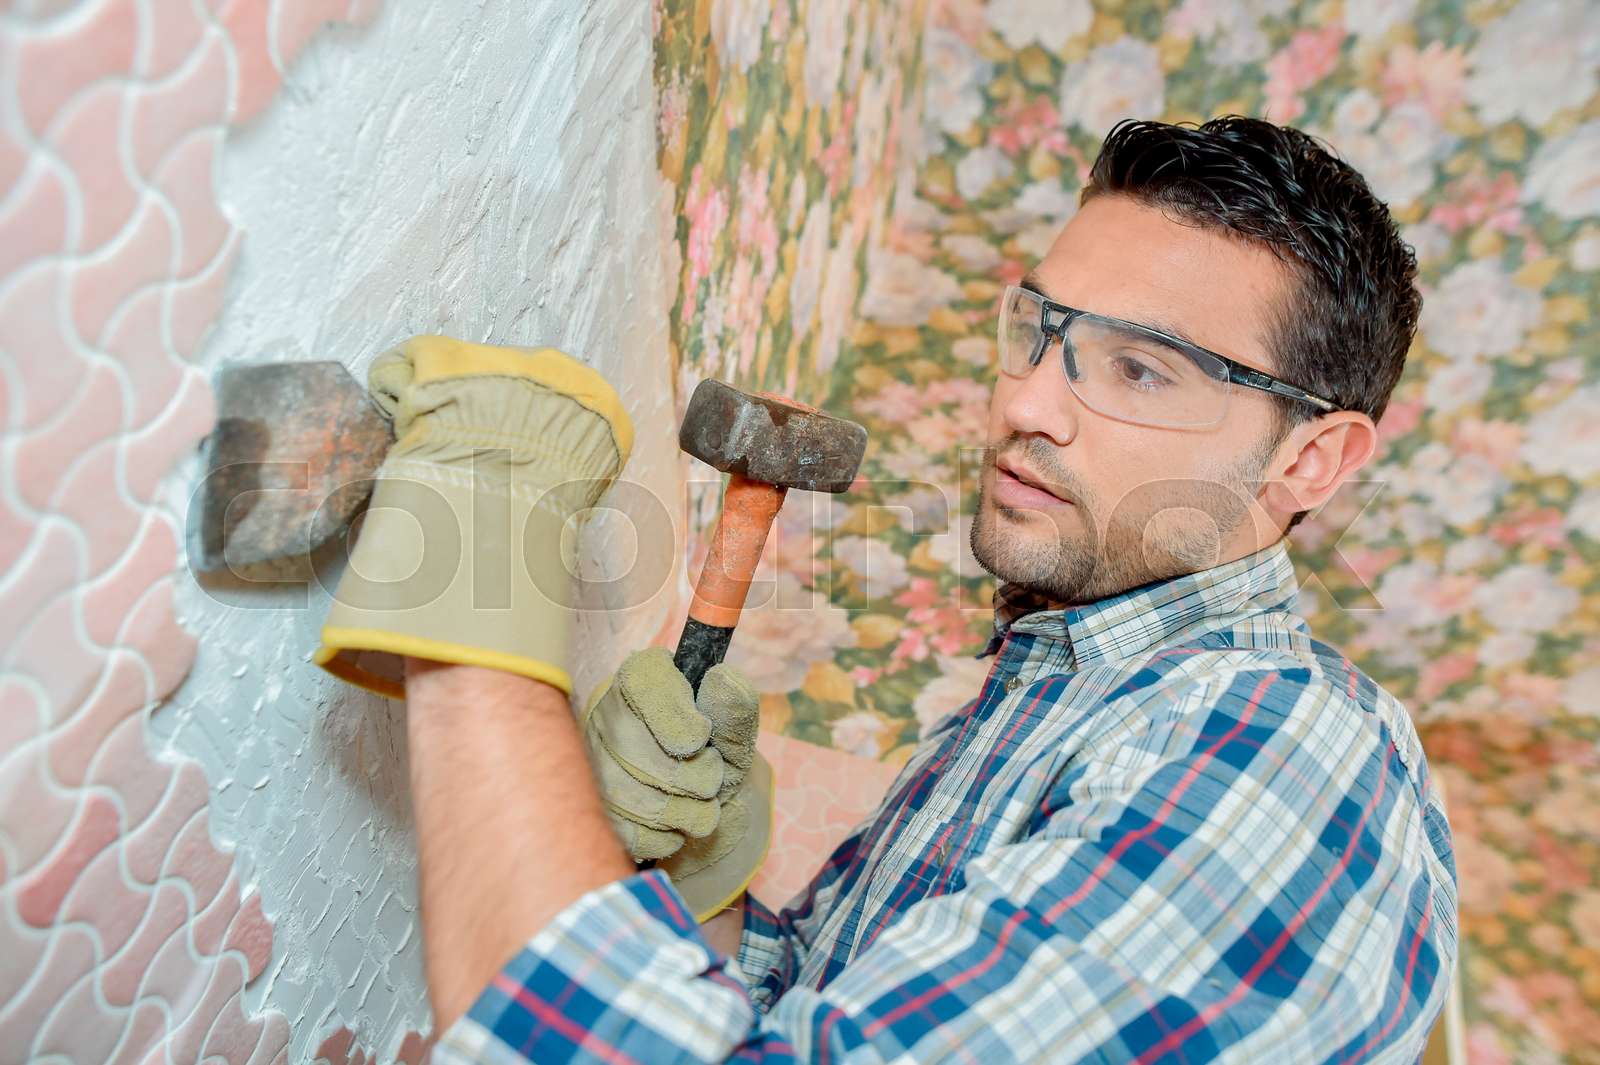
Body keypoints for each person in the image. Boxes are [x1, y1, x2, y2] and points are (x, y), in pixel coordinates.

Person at [314, 116, 1458, 1062]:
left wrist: (474, 590)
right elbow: (809, 1021)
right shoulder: (1061, 702)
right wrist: (704, 871)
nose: (1027, 404)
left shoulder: (1283, 742)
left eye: (1141, 369)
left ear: (1310, 461)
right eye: (1039, 329)